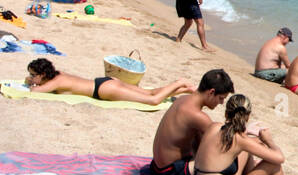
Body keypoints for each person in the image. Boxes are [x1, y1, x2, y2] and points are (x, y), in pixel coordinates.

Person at [148, 67, 234, 175]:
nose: (221, 103)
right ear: (211, 92)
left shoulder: (183, 99)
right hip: (167, 174)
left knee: (203, 138)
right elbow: (224, 144)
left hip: (156, 168)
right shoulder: (197, 116)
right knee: (232, 159)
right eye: (221, 98)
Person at [25, 58, 194, 105]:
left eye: (33, 75)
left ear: (42, 74)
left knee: (152, 100)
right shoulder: (58, 74)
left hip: (104, 90)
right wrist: (32, 79)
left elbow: (34, 92)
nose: (31, 78)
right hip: (105, 82)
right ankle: (186, 90)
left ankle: (178, 82)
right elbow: (38, 83)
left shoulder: (54, 82)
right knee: (150, 92)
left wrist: (31, 83)